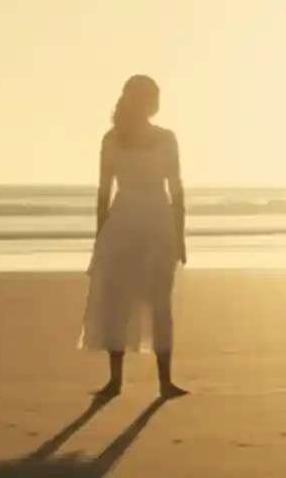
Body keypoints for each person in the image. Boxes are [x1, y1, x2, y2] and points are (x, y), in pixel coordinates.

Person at [79, 75, 188, 398]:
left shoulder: (118, 138)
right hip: (150, 219)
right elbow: (176, 189)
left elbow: (103, 192)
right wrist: (179, 233)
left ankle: (125, 381)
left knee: (127, 300)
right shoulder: (131, 139)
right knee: (151, 302)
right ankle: (157, 382)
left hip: (133, 220)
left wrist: (102, 235)